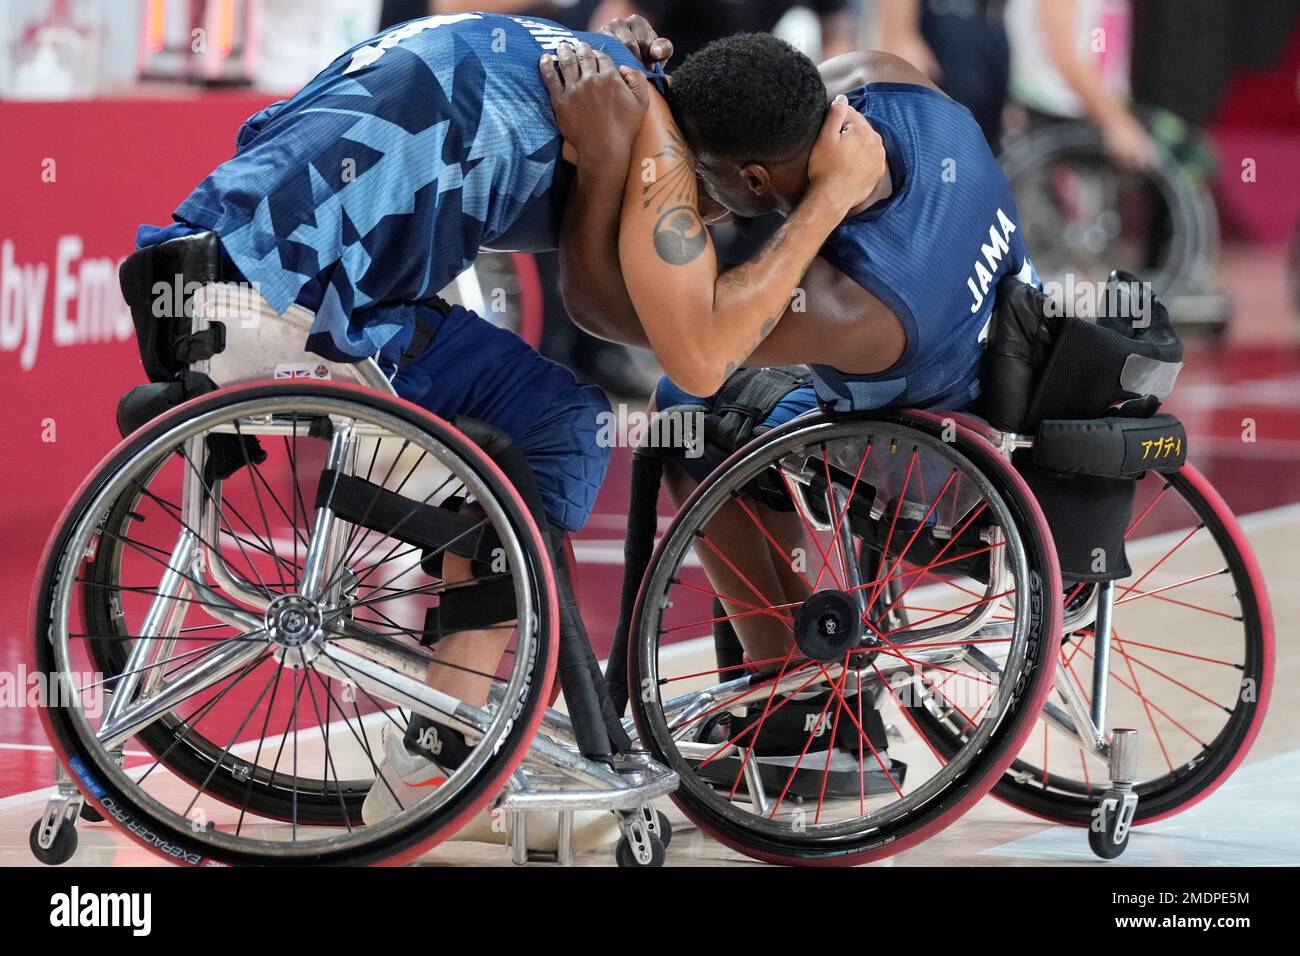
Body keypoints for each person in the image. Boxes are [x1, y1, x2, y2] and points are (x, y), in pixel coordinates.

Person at [128, 12, 879, 837]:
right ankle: (439, 752)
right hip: (284, 299)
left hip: (196, 261)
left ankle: (476, 692)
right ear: (757, 179)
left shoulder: (596, 67)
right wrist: (826, 203)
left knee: (514, 403)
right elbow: (656, 339)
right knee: (559, 423)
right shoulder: (646, 143)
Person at [545, 28, 1035, 779]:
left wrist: (604, 165)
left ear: (755, 178)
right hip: (1002, 378)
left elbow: (611, 314)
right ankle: (800, 683)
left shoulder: (858, 306)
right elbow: (718, 180)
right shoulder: (883, 78)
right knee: (727, 398)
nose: (694, 191)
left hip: (941, 468)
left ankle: (802, 702)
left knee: (688, 412)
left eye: (706, 176)